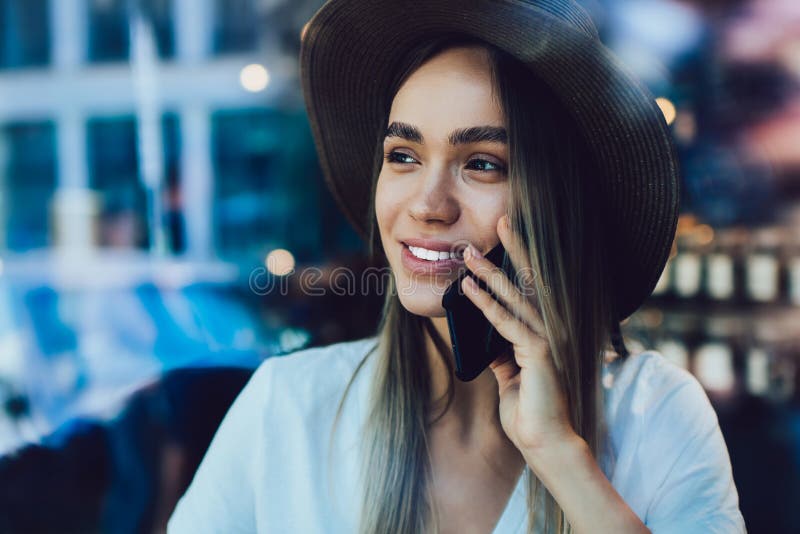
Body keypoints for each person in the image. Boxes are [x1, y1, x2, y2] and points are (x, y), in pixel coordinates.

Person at [168, 1, 746, 532]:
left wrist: (561, 457)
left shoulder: (655, 415)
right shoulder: (287, 409)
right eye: (404, 156)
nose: (426, 204)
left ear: (557, 202)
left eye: (482, 164)